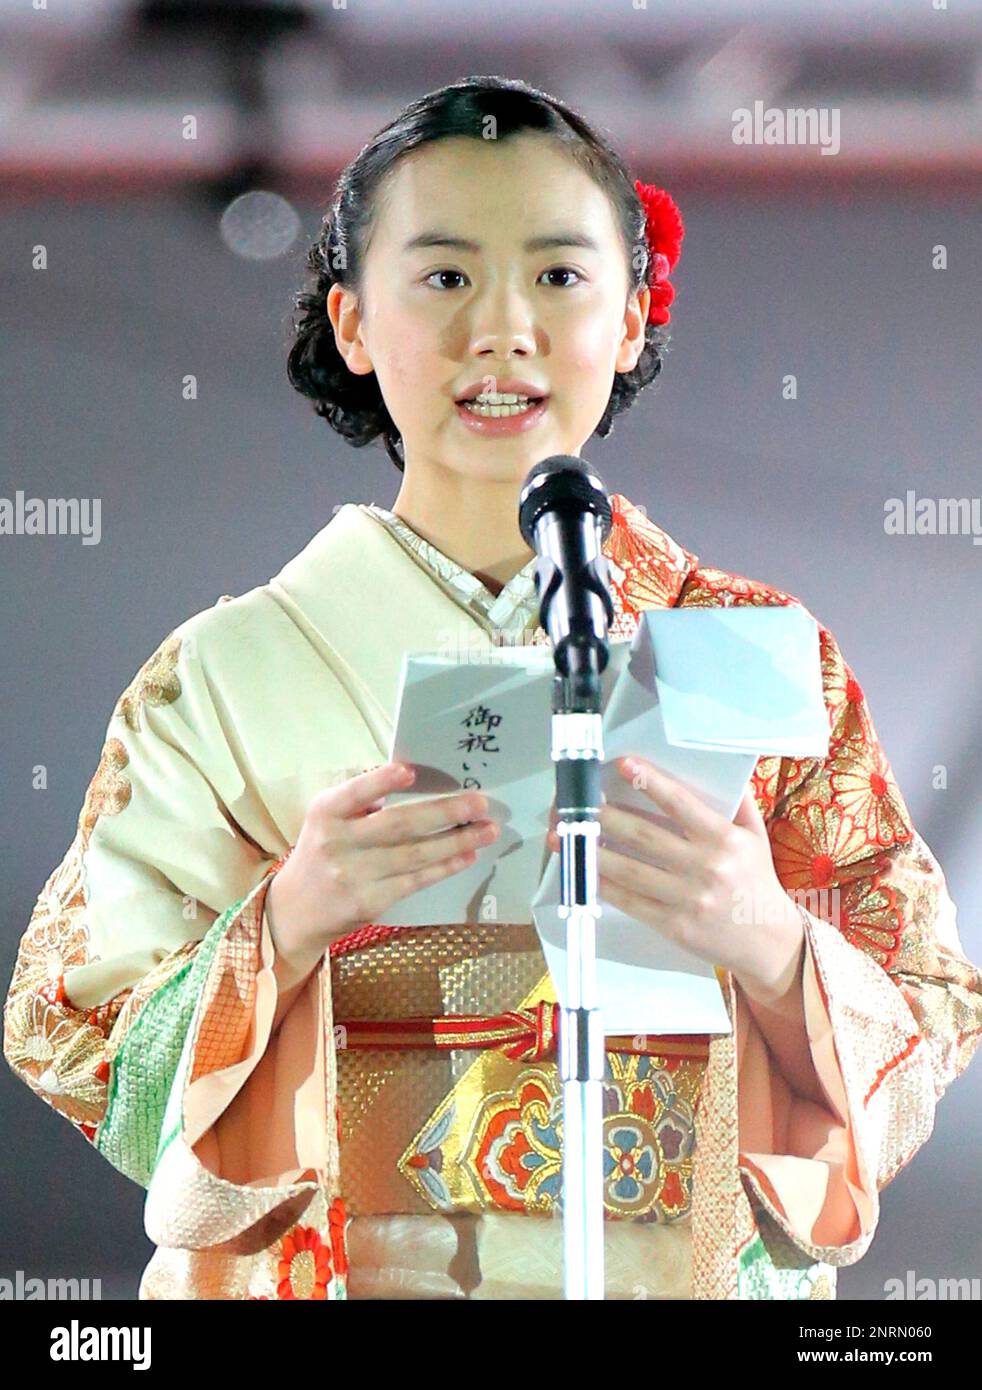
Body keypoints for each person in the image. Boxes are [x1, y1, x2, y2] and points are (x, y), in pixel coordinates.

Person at [5, 76, 981, 1302]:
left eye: (560, 277)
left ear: (631, 318)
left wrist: (769, 941)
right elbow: (72, 1025)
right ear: (355, 325)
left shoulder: (762, 653)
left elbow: (930, 1011)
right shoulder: (219, 675)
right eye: (447, 276)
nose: (503, 327)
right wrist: (288, 919)